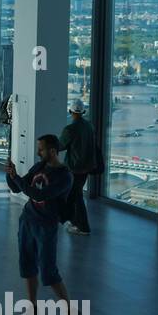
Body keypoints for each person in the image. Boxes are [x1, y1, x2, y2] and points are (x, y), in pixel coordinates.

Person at [5, 134, 74, 308]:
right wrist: (11, 175)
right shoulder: (39, 167)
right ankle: (32, 307)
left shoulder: (64, 176)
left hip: (46, 226)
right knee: (27, 266)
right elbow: (16, 188)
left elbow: (38, 194)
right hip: (27, 221)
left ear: (52, 151)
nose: (38, 152)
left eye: (41, 149)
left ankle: (70, 312)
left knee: (48, 272)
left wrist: (18, 180)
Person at [60, 99, 97, 236]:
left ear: (70, 111)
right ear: (83, 111)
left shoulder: (70, 129)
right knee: (75, 194)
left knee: (75, 195)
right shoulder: (89, 126)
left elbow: (61, 145)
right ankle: (71, 220)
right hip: (86, 167)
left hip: (73, 168)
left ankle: (82, 226)